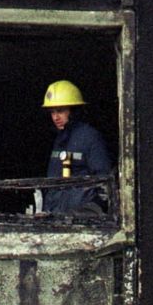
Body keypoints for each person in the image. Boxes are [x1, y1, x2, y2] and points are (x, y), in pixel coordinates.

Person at [41, 80, 112, 215]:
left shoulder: (90, 137)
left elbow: (104, 184)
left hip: (80, 221)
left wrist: (86, 214)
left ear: (73, 110)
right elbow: (52, 185)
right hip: (56, 218)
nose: (55, 117)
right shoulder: (58, 139)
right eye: (52, 112)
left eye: (61, 111)